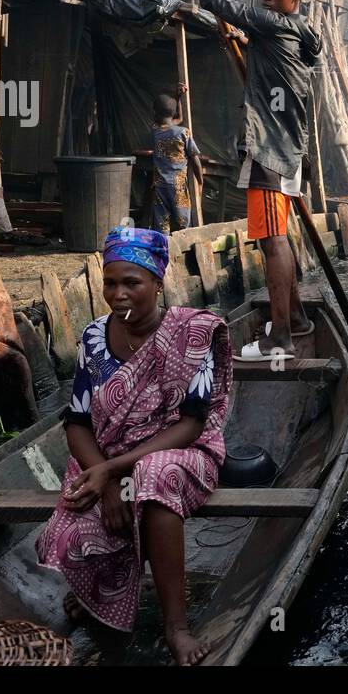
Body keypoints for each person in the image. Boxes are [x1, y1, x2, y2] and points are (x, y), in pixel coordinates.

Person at [36, 227, 232, 665]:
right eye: (110, 283)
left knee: (153, 476)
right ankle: (95, 595)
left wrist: (117, 469)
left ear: (157, 283)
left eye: (132, 283)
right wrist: (105, 480)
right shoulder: (91, 338)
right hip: (107, 455)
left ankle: (176, 626)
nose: (118, 293)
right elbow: (78, 422)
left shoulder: (191, 333)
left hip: (184, 453)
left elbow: (191, 424)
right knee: (72, 532)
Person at [169, 0, 320, 361]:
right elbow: (266, 59)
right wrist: (245, 45)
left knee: (273, 241)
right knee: (281, 237)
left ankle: (280, 338)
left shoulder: (276, 25)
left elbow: (218, 2)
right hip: (287, 153)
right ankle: (295, 321)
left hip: (269, 151)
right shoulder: (300, 35)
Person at [149, 85, 203, 234]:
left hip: (160, 186)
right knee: (184, 225)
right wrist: (200, 181)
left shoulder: (155, 131)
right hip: (178, 187)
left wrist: (177, 98)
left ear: (154, 113)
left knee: (162, 227)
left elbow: (177, 119)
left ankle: (164, 253)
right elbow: (195, 159)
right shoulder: (183, 133)